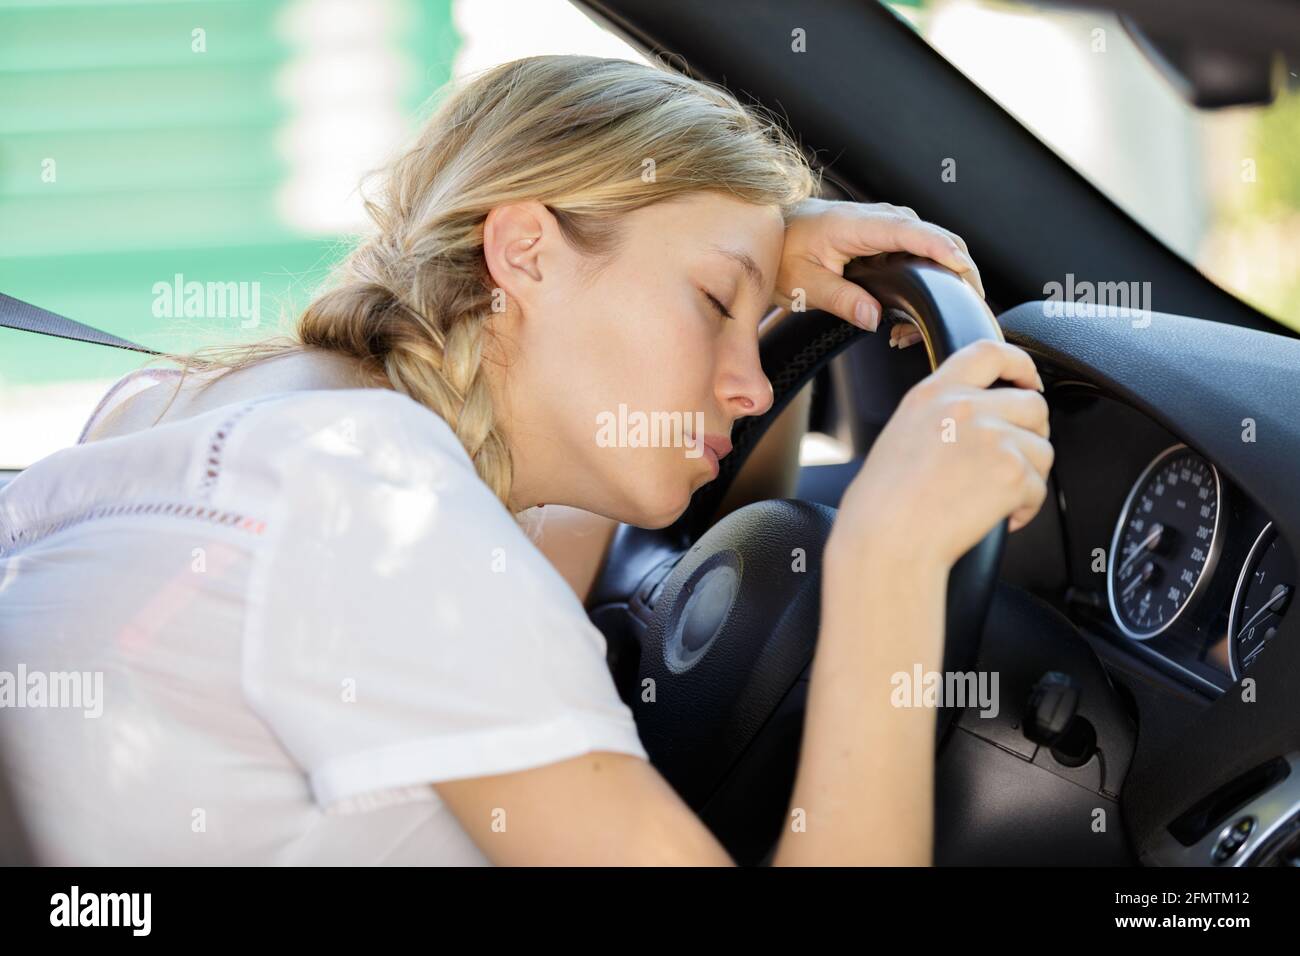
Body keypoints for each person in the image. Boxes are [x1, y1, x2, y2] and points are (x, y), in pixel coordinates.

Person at [0, 54, 1051, 865]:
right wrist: (889, 559)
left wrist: (745, 255)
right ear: (524, 250)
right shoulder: (386, 516)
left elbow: (477, 594)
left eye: (757, 318)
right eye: (710, 304)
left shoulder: (188, 408)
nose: (749, 383)